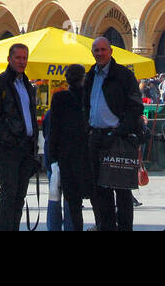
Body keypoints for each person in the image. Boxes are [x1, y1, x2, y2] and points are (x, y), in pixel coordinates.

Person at [82, 36, 145, 232]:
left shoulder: (123, 75)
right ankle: (106, 226)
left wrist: (121, 130)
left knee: (122, 188)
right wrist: (88, 128)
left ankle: (125, 227)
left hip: (118, 138)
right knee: (99, 188)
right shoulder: (91, 74)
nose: (99, 53)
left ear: (110, 51)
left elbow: (135, 106)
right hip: (96, 136)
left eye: (102, 50)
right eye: (96, 50)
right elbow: (86, 104)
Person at [0, 43, 39, 232]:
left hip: (27, 147)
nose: (22, 62)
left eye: (24, 58)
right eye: (18, 58)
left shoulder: (27, 85)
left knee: (19, 196)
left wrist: (33, 143)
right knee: (8, 195)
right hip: (10, 148)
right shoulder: (0, 84)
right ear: (9, 59)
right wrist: (9, 140)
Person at [44, 63, 93, 230]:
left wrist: (52, 156)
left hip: (66, 156)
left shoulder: (59, 98)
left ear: (66, 79)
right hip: (88, 155)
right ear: (83, 78)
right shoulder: (89, 97)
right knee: (94, 199)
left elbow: (54, 130)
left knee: (70, 201)